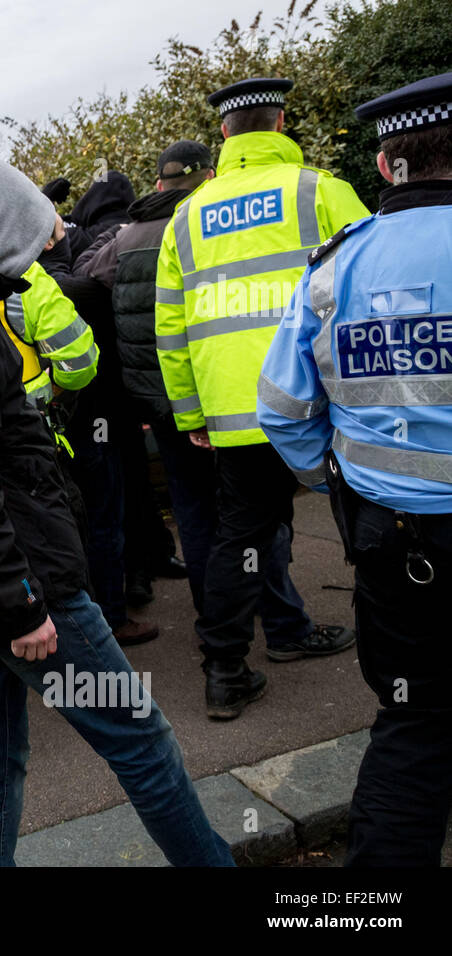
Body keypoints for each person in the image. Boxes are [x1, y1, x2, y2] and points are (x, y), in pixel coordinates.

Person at [0, 152, 233, 867]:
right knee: (141, 740)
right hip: (22, 582)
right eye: (32, 234)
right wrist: (22, 602)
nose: (44, 247)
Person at [258, 71, 452, 866]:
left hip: (394, 539)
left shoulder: (334, 268)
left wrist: (334, 481)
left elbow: (281, 406)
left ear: (384, 167)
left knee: (416, 723)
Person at [156, 77, 371, 719]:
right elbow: (374, 289)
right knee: (367, 521)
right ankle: (404, 661)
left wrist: (191, 413)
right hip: (329, 404)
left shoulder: (186, 217)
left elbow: (171, 328)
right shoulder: (321, 192)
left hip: (239, 414)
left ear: (224, 135)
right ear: (280, 124)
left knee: (238, 537)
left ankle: (224, 670)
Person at [78, 141, 219, 615]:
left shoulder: (127, 237)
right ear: (210, 177)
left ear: (158, 185)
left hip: (160, 398)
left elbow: (83, 274)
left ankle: (214, 617)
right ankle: (271, 614)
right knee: (246, 508)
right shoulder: (211, 225)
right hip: (224, 385)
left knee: (192, 506)